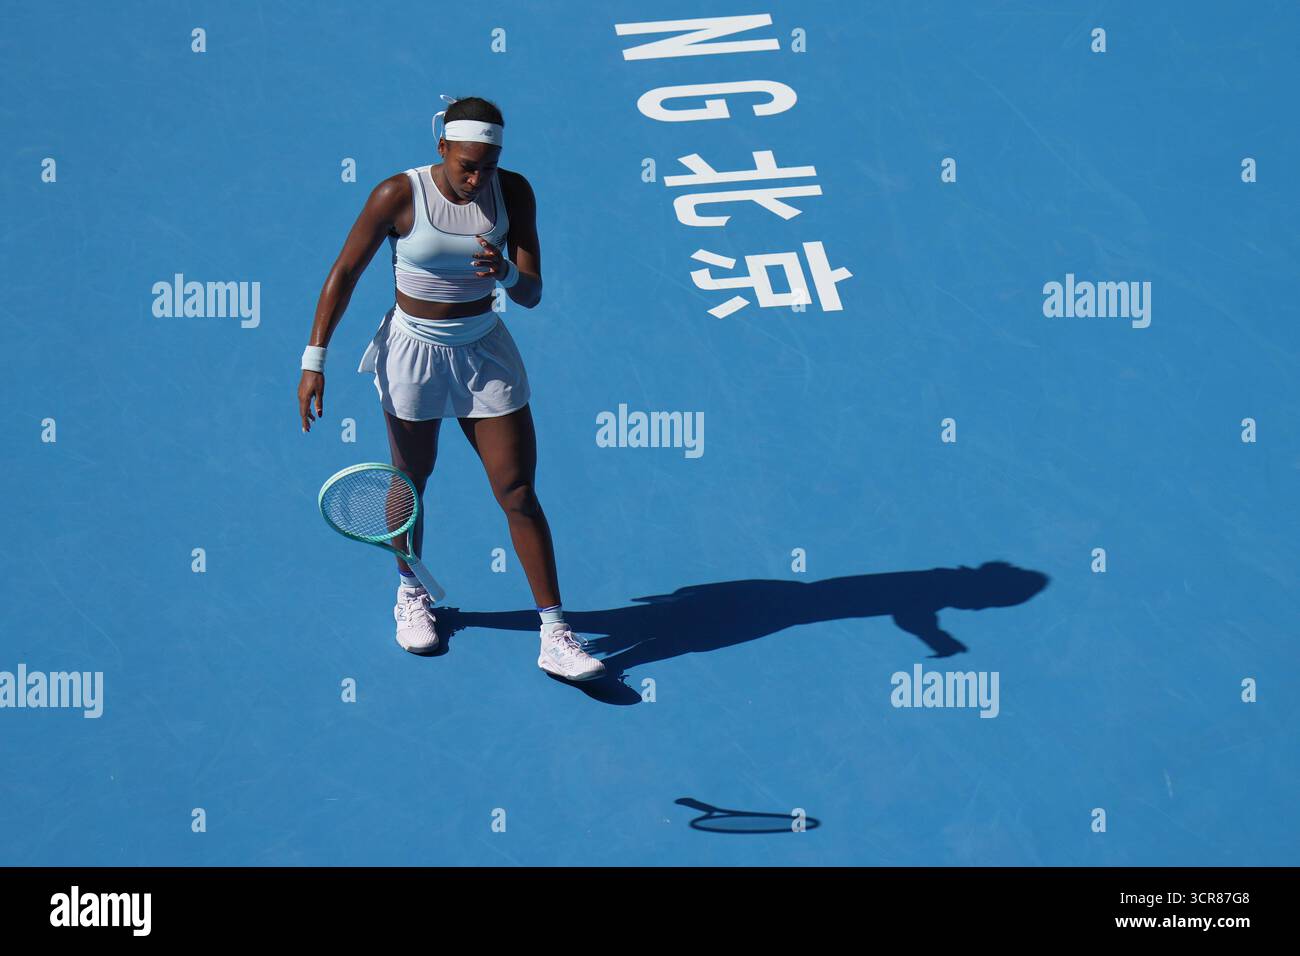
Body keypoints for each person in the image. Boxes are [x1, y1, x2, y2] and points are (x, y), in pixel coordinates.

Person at [296, 94, 604, 681]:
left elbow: (532, 293)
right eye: (465, 163)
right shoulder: (397, 195)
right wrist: (315, 359)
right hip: (411, 354)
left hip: (485, 353)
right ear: (440, 147)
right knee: (410, 482)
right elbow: (343, 273)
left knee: (516, 491)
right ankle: (410, 591)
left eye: (486, 165)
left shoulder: (513, 192)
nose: (475, 176)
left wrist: (507, 273)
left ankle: (555, 631)